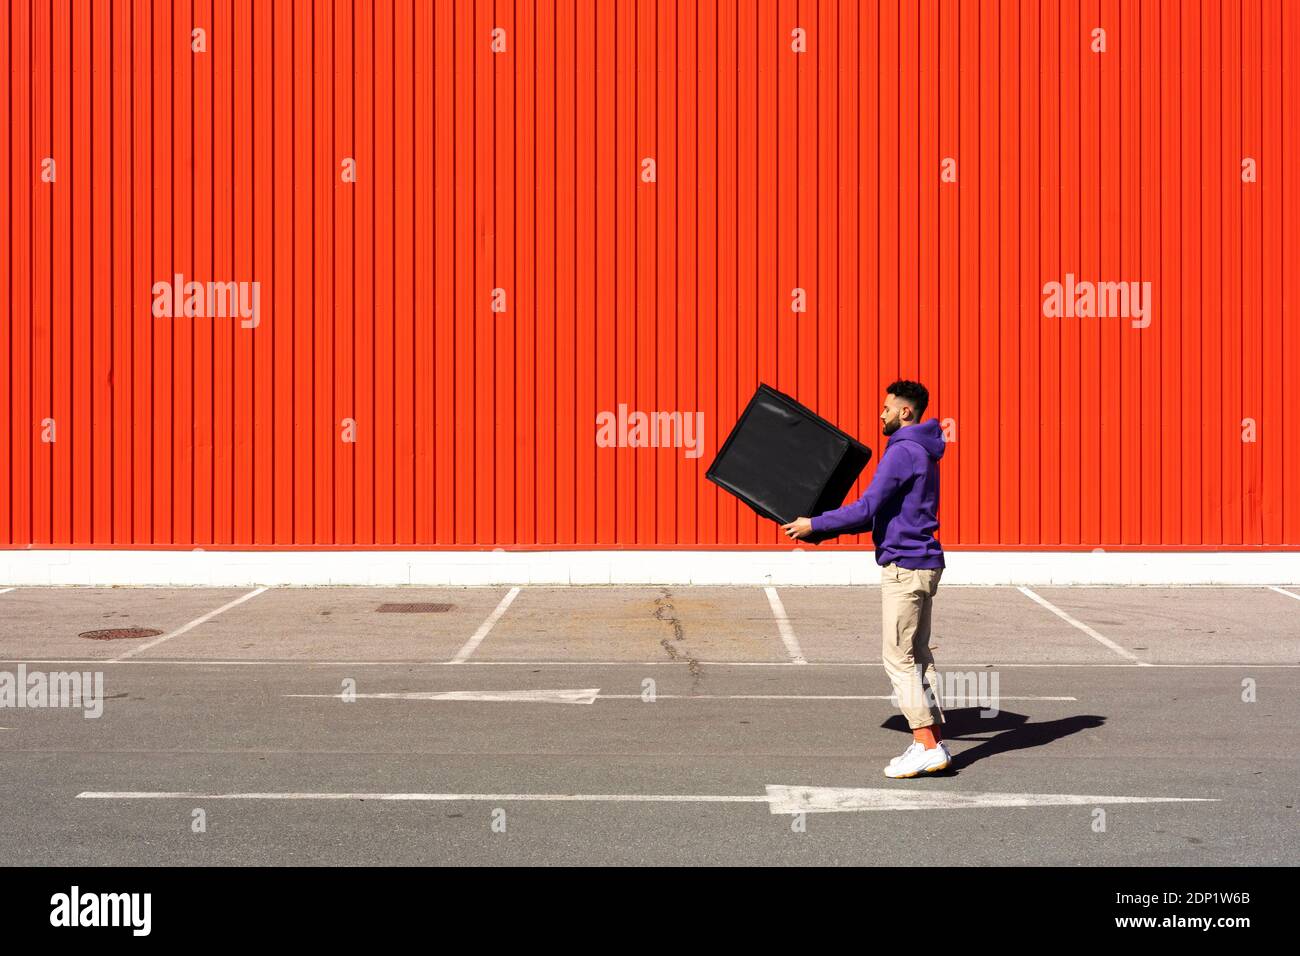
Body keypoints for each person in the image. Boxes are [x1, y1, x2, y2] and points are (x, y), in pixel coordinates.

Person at [781, 380, 949, 778]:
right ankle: (931, 741)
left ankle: (925, 744)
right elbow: (880, 513)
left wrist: (813, 524)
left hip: (904, 567)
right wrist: (821, 530)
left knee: (898, 659)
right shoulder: (924, 450)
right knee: (919, 656)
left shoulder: (903, 451)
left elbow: (866, 507)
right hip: (924, 563)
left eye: (887, 408)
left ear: (905, 412)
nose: (881, 413)